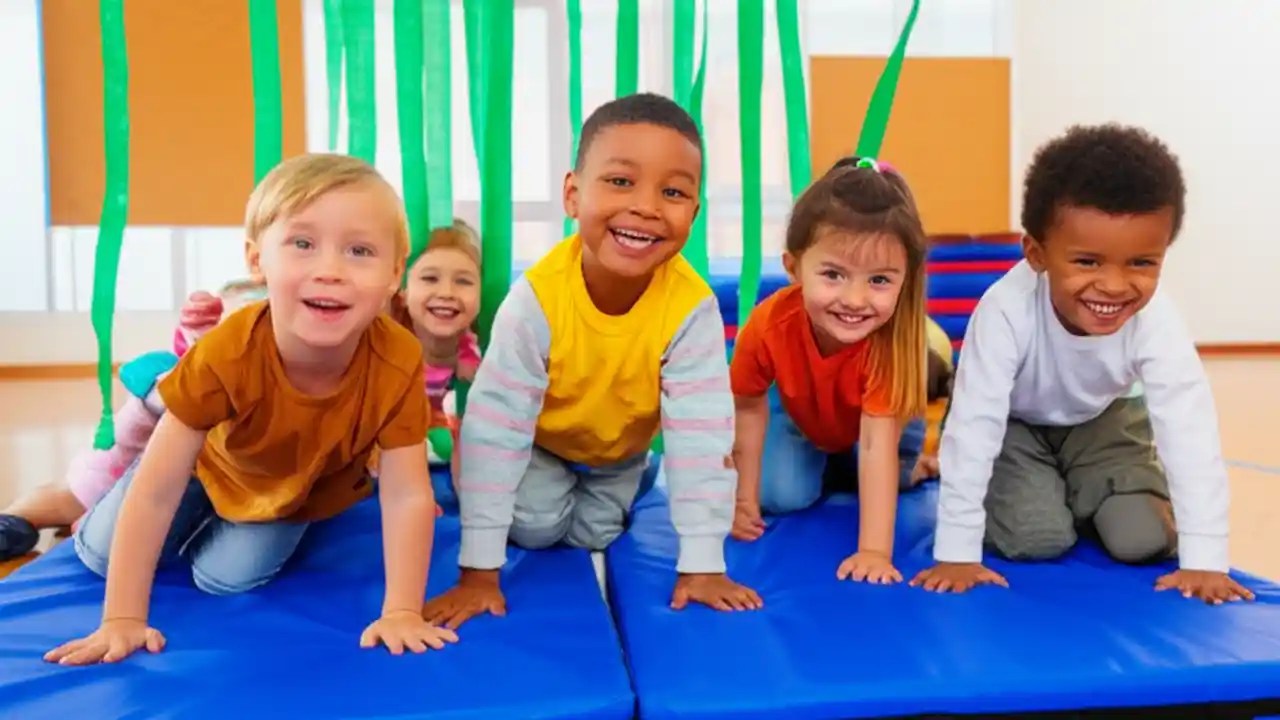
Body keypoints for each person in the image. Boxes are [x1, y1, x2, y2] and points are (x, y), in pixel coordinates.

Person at [44, 153, 458, 667]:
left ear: (395, 272)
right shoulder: (227, 351)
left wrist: (401, 610)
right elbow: (156, 490)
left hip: (294, 488)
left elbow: (406, 494)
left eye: (359, 251)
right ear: (257, 259)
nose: (329, 270)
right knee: (103, 557)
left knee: (223, 579)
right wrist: (123, 618)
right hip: (206, 465)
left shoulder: (396, 360)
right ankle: (158, 470)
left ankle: (270, 520)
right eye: (302, 244)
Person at [422, 92, 761, 628]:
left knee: (595, 533)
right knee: (535, 528)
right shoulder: (536, 300)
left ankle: (636, 477)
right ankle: (542, 492)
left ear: (693, 214)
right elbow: (498, 427)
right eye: (621, 182)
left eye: (672, 192)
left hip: (616, 457)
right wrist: (479, 572)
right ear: (573, 194)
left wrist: (702, 564)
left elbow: (701, 437)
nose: (647, 206)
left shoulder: (690, 310)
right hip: (542, 446)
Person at [910, 124, 1254, 605]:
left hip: (1102, 424)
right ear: (1037, 254)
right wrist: (957, 551)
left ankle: (1090, 486)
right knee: (1037, 539)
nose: (1114, 286)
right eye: (1088, 262)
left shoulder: (1157, 321)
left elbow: (1188, 430)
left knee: (1141, 541)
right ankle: (1058, 490)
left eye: (1141, 263)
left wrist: (1205, 560)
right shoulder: (1005, 309)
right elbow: (975, 426)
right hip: (1014, 426)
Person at [728, 158, 929, 585]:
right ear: (793, 266)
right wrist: (744, 498)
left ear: (904, 280)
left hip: (881, 425)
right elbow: (747, 407)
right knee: (779, 496)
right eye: (834, 275)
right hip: (805, 414)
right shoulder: (768, 325)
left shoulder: (888, 342)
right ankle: (831, 462)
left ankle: (919, 464)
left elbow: (877, 445)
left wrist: (874, 551)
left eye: (879, 281)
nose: (855, 300)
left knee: (893, 476)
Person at [0, 281, 266, 562]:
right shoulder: (177, 380)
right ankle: (17, 516)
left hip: (183, 489)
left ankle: (90, 524)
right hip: (124, 465)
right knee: (73, 494)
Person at [388, 220, 483, 505]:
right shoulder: (394, 335)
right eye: (430, 279)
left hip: (444, 420)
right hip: (404, 427)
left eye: (463, 281)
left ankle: (470, 503)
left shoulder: (470, 343)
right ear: (403, 291)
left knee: (468, 436)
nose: (447, 292)